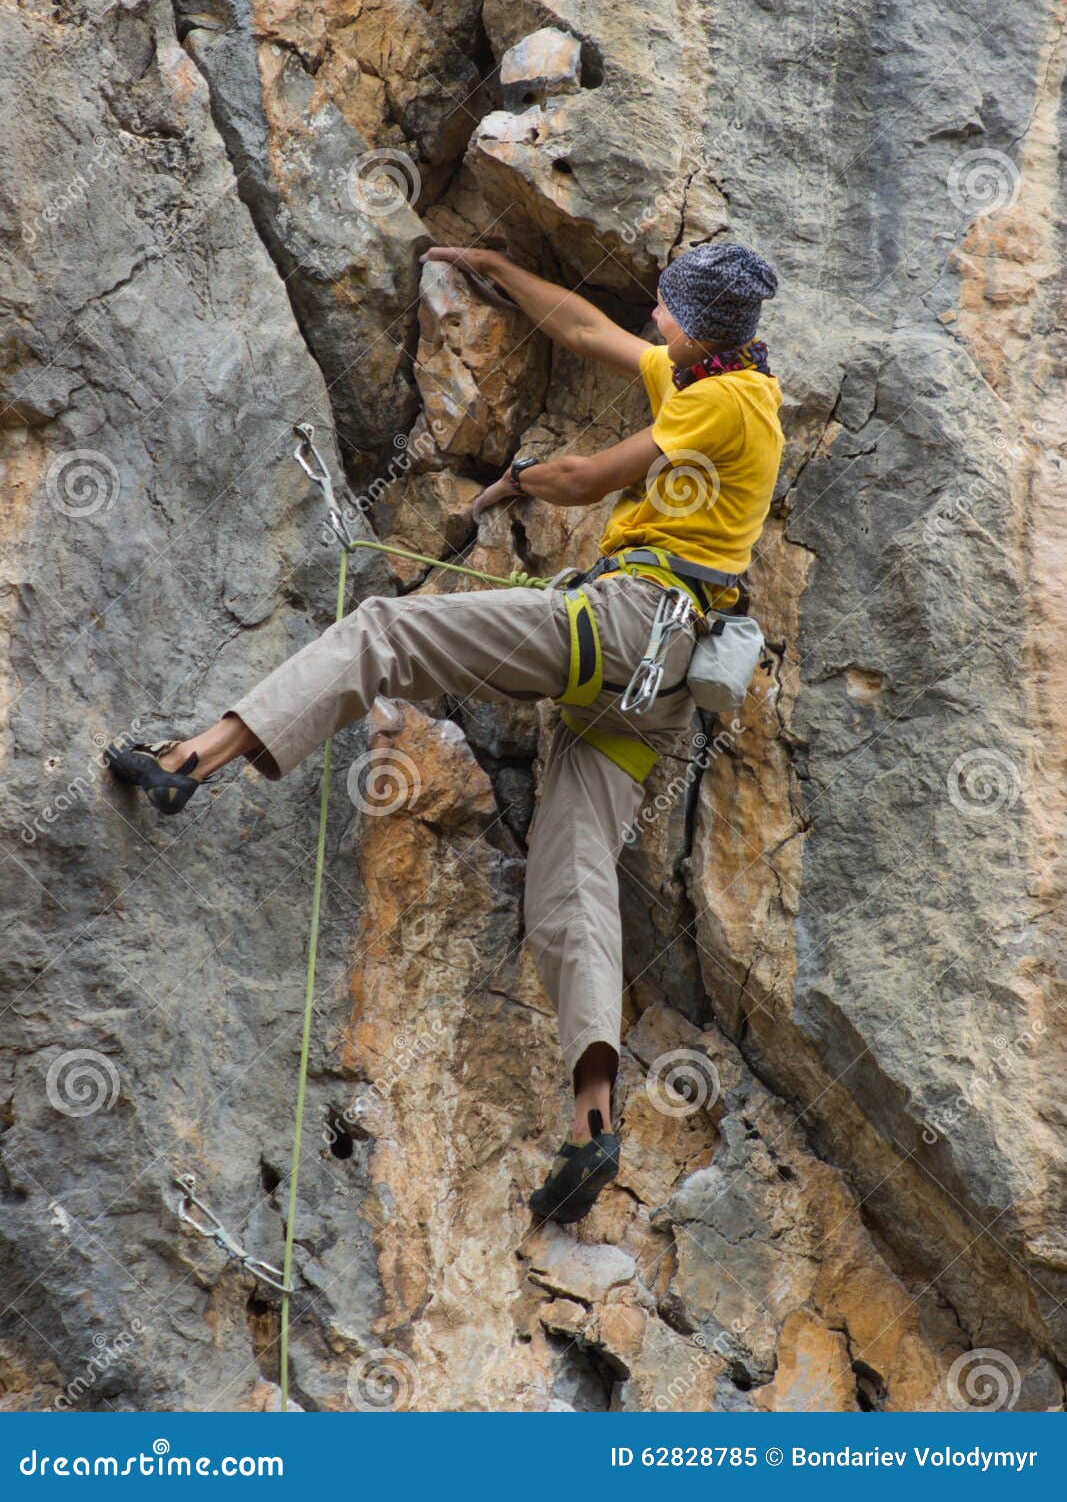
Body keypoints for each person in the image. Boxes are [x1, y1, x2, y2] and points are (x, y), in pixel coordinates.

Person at [106, 239, 784, 1224]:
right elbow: (587, 327)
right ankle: (594, 1125)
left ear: (702, 324)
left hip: (625, 628)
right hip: (662, 684)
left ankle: (190, 760)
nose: (651, 318)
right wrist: (496, 271)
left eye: (668, 309)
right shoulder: (714, 380)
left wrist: (517, 485)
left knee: (382, 630)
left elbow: (597, 474)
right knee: (574, 881)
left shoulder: (722, 403)